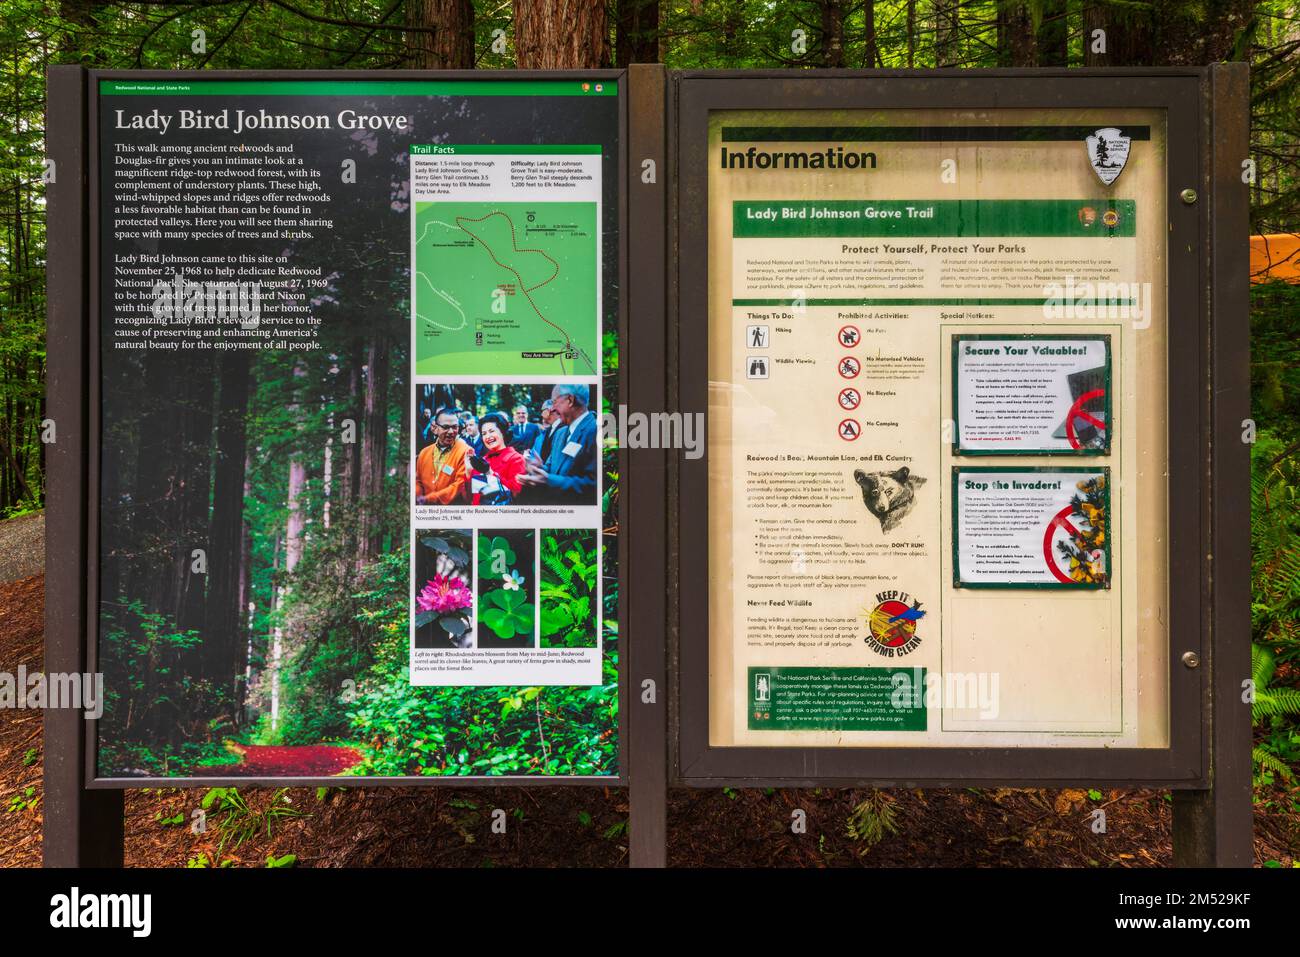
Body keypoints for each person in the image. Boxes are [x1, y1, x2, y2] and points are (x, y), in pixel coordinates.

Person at [518, 383, 597, 504]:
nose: (552, 409)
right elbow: (551, 467)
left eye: (554, 402)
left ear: (570, 400)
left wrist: (549, 480)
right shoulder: (560, 433)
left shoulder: (595, 430)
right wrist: (538, 468)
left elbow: (594, 484)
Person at [415, 407, 471, 505]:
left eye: (454, 427)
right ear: (435, 428)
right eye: (445, 427)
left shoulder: (466, 451)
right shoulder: (424, 452)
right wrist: (418, 496)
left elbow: (459, 485)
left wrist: (428, 499)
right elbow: (418, 480)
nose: (451, 432)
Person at [470, 411, 527, 505]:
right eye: (484, 434)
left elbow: (516, 494)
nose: (488, 436)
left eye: (491, 431)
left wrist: (491, 474)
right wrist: (469, 470)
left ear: (503, 432)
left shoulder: (516, 459)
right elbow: (474, 497)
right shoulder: (482, 460)